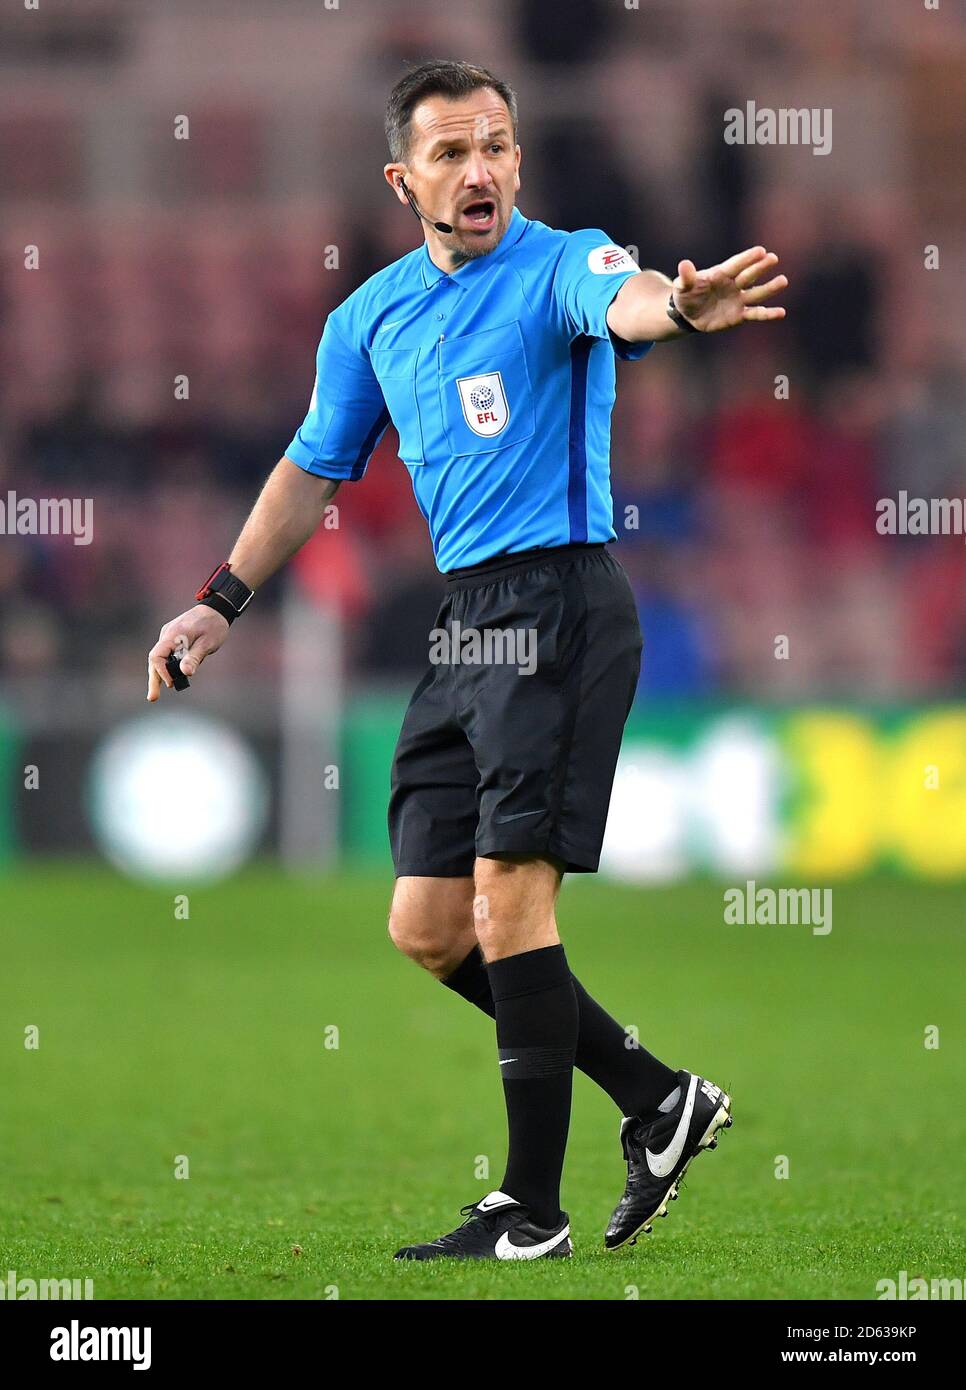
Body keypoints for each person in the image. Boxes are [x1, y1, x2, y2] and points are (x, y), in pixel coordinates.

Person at [146, 59, 787, 1261]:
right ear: (406, 179)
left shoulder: (560, 262)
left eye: (497, 143)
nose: (480, 167)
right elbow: (312, 467)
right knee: (431, 923)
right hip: (468, 619)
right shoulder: (371, 317)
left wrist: (686, 308)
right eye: (450, 151)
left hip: (562, 600)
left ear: (520, 161)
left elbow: (633, 299)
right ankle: (656, 1097)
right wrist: (219, 599)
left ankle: (529, 1209)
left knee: (510, 901)